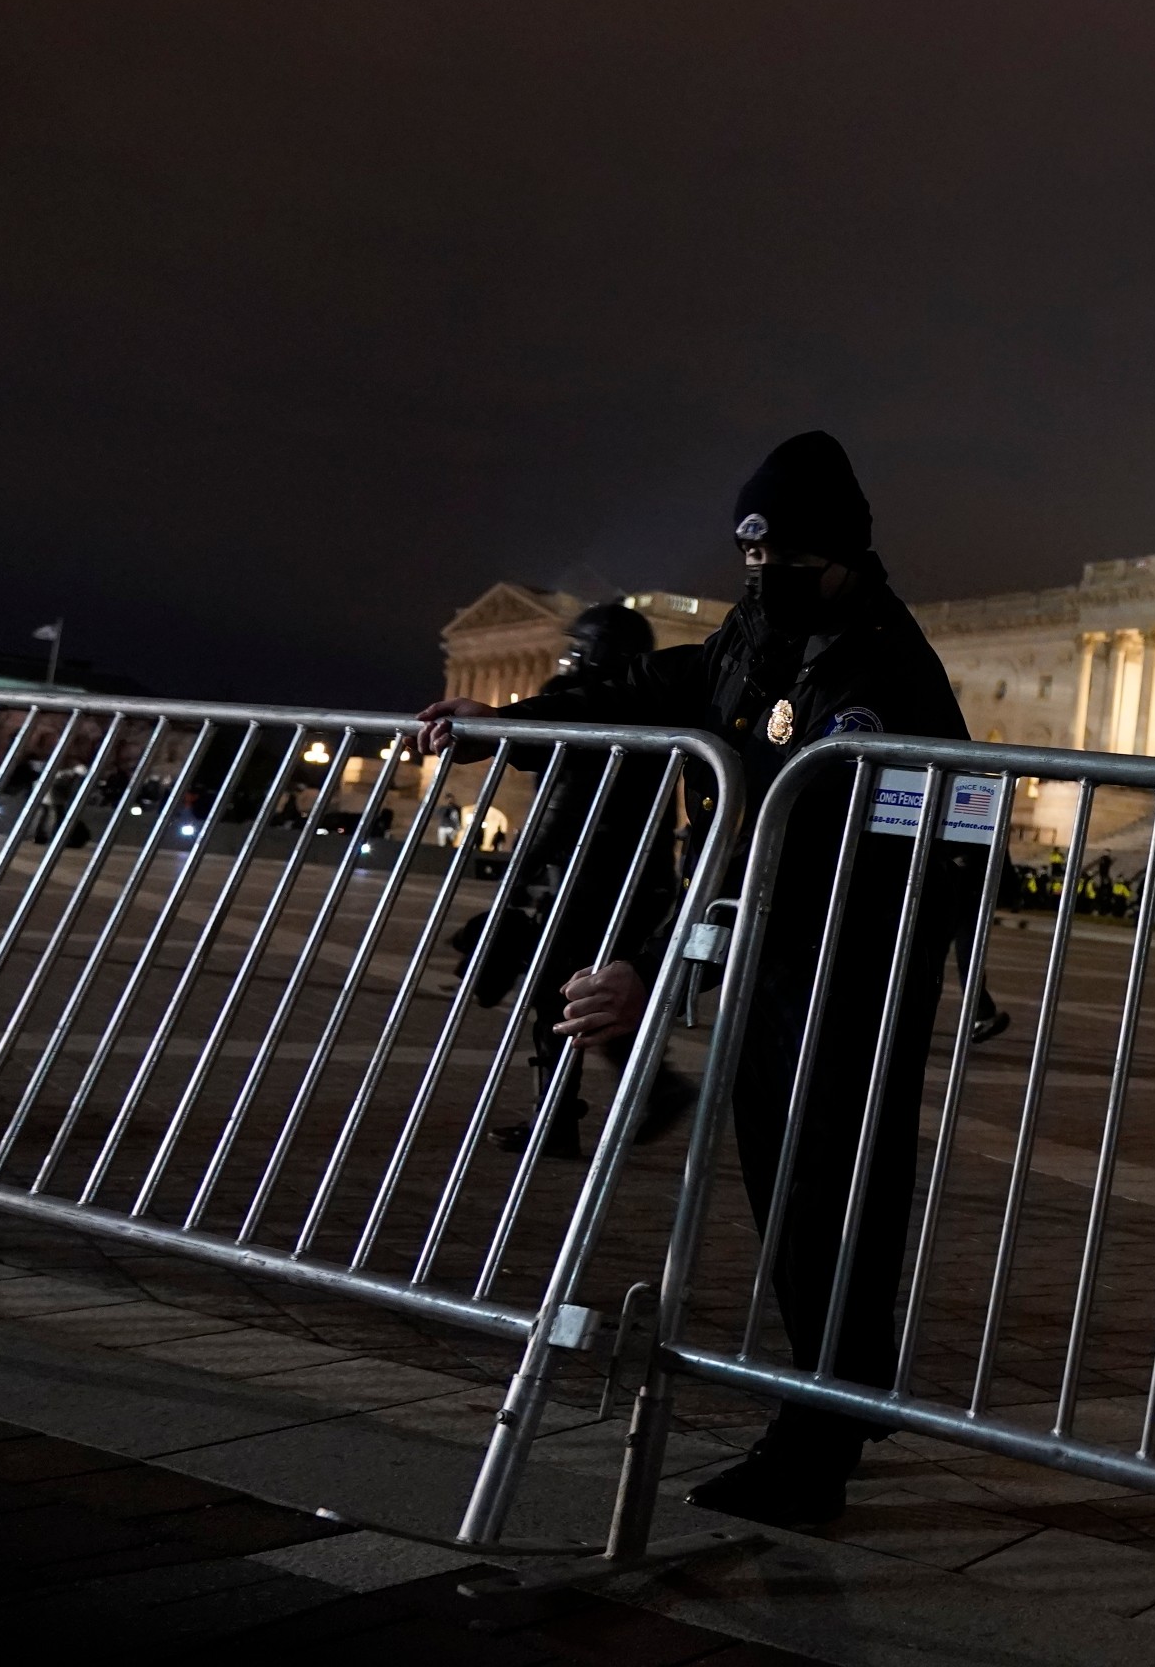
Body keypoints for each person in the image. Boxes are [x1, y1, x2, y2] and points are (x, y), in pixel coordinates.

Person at [415, 430, 978, 1528]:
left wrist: (650, 961)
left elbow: (786, 841)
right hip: (782, 953)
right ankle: (845, 1396)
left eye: (786, 563)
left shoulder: (873, 675)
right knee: (796, 1188)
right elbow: (655, 690)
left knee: (829, 1190)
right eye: (751, 562)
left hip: (848, 958)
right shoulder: (768, 631)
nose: (763, 584)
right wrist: (509, 726)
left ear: (843, 554)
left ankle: (817, 1437)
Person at [449, 601, 699, 1160]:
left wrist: (518, 875)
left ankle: (565, 1119)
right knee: (591, 994)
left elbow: (565, 809)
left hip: (596, 879)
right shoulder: (649, 709)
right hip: (634, 876)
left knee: (556, 994)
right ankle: (640, 1093)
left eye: (581, 646)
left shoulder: (597, 709)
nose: (572, 655)